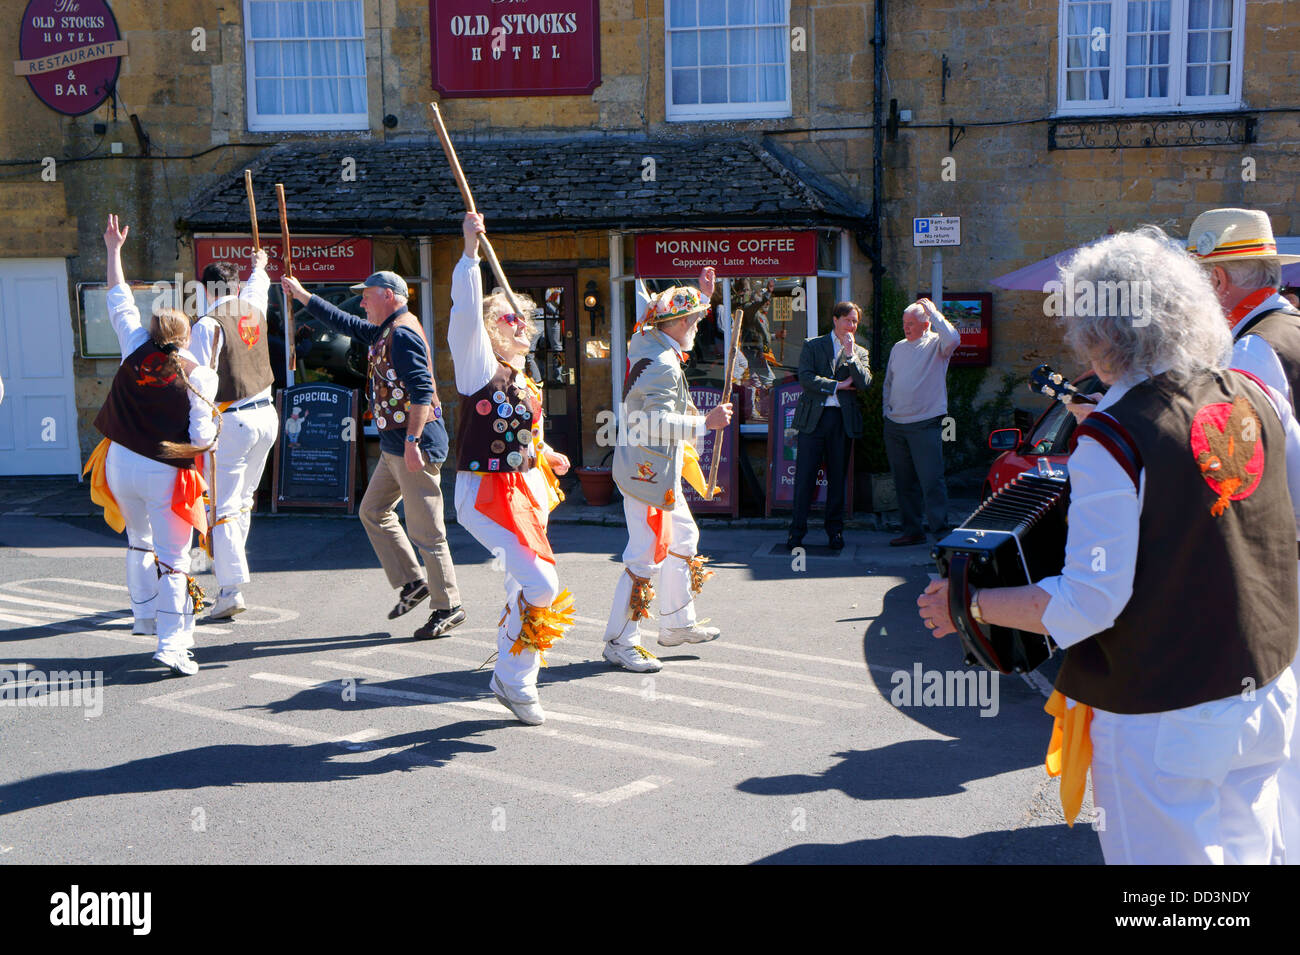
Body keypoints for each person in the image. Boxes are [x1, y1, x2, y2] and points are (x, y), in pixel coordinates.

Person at [918, 227, 1300, 865]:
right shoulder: (1257, 396)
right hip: (1266, 688)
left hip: (1167, 709)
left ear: (1097, 333)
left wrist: (972, 603)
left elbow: (1088, 604)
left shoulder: (1112, 439)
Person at [1189, 208, 1300, 865]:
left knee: (1276, 735)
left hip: (1282, 561)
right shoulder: (1289, 329)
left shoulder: (1254, 349)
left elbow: (1243, 479)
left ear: (1222, 280)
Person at [280, 269, 464, 639]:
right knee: (373, 512)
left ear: (390, 295)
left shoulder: (403, 333)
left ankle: (449, 606)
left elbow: (423, 393)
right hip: (396, 446)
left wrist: (413, 443)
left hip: (414, 445)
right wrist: (303, 296)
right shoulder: (385, 329)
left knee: (427, 531)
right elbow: (344, 321)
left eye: (367, 295)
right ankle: (413, 582)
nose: (361, 301)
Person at [449, 212, 573, 725]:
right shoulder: (478, 366)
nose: (521, 326)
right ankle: (512, 676)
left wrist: (547, 456)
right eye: (508, 319)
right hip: (485, 491)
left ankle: (513, 673)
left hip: (526, 488)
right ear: (489, 331)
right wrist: (470, 255)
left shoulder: (527, 377)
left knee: (520, 585)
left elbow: (527, 436)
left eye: (524, 319)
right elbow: (463, 316)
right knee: (543, 584)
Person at [84, 214, 219, 676]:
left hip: (119, 460)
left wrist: (113, 249)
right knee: (175, 559)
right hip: (165, 468)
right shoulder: (199, 373)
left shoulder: (133, 345)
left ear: (154, 331)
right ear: (185, 337)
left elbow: (118, 299)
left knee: (139, 542)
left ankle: (143, 615)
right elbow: (202, 437)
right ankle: (172, 645)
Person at [603, 271, 732, 673]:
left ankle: (676, 622)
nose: (697, 327)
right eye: (693, 321)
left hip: (656, 469)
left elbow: (669, 317)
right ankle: (619, 642)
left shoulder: (649, 338)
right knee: (644, 557)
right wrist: (702, 424)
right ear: (676, 324)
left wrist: (703, 297)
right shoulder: (661, 361)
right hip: (648, 473)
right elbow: (650, 422)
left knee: (685, 536)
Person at [188, 253, 273, 619]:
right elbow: (261, 286)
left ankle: (230, 589)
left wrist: (198, 432)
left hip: (231, 420)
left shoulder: (208, 324)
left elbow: (197, 383)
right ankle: (230, 581)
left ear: (207, 290)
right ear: (235, 286)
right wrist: (260, 265)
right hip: (267, 416)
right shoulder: (253, 307)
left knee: (223, 507)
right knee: (243, 503)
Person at [787, 300, 871, 551]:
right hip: (814, 419)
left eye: (855, 321)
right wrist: (837, 385)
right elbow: (805, 377)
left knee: (837, 478)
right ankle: (796, 532)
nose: (852, 326)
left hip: (840, 421)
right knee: (805, 478)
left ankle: (835, 532)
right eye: (848, 320)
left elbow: (865, 382)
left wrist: (851, 355)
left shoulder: (860, 351)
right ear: (835, 320)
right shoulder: (813, 345)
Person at [882, 298, 960, 545]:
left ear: (926, 324)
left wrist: (935, 313)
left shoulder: (937, 345)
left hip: (924, 422)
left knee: (931, 480)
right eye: (905, 323)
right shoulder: (898, 347)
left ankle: (940, 533)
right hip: (896, 424)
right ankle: (912, 530)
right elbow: (889, 382)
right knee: (903, 482)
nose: (906, 327)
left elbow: (954, 339)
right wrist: (887, 410)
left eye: (912, 323)